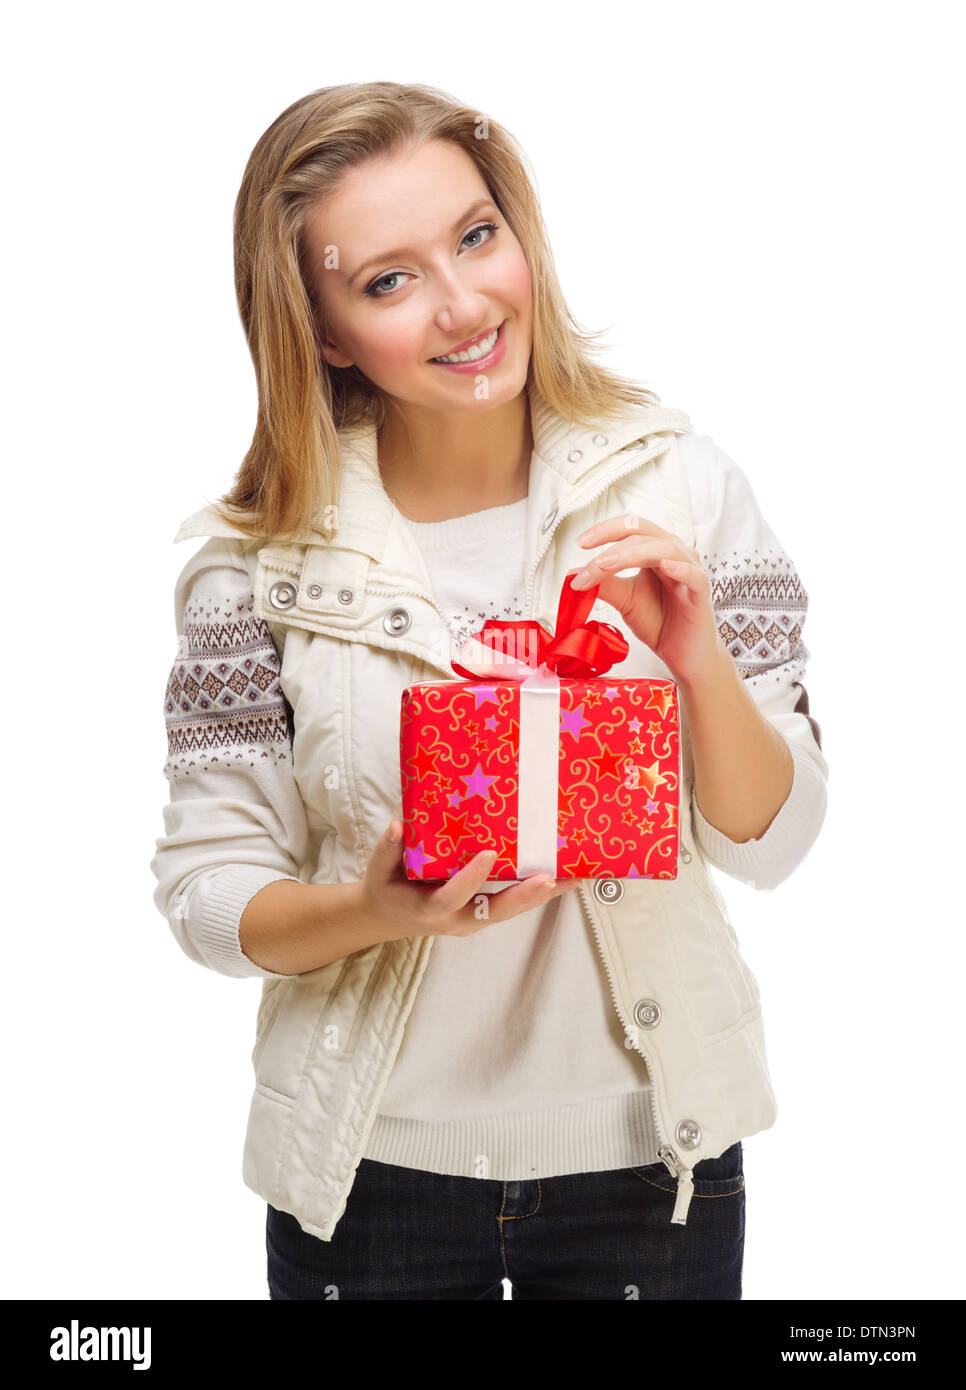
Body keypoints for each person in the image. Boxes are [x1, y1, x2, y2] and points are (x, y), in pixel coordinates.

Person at [150, 81, 829, 1301]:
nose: (466, 305)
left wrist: (697, 659)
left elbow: (776, 843)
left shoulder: (681, 487)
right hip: (368, 1181)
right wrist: (371, 906)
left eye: (476, 236)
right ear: (323, 329)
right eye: (388, 279)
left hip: (653, 1165)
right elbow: (207, 894)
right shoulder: (252, 568)